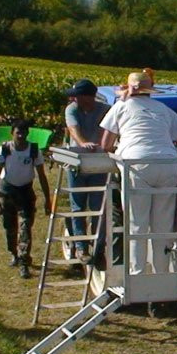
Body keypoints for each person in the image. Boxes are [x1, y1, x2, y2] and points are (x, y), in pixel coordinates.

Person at [99, 71, 177, 276]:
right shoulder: (163, 108)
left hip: (137, 165)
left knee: (138, 225)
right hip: (169, 165)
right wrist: (174, 141)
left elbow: (105, 144)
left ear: (128, 89)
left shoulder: (120, 107)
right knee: (162, 226)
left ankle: (138, 276)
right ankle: (162, 275)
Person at [0, 119, 52, 279]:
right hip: (7, 191)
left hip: (25, 192)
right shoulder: (5, 149)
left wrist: (48, 199)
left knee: (25, 228)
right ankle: (14, 253)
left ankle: (24, 262)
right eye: (18, 132)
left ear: (27, 134)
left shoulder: (33, 150)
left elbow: (42, 176)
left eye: (23, 133)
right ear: (12, 133)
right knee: (10, 228)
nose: (20, 136)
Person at [63, 78, 111, 264]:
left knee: (98, 207)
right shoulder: (72, 109)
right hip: (77, 162)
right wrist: (83, 143)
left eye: (77, 96)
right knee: (78, 206)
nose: (74, 99)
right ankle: (81, 248)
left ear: (87, 97)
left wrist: (102, 143)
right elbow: (72, 128)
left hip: (99, 163)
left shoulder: (104, 110)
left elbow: (109, 128)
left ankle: (98, 248)